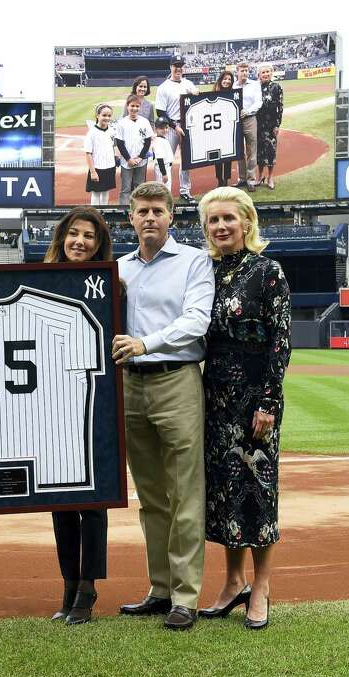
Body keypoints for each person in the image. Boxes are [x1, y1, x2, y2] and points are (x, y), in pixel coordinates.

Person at [112, 182, 214, 630]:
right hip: (131, 384)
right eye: (141, 211)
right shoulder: (118, 269)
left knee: (185, 493)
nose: (149, 218)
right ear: (130, 218)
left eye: (157, 210)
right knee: (151, 495)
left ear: (172, 216)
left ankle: (186, 596)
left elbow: (196, 321)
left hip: (177, 380)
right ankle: (161, 587)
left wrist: (144, 343)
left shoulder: (194, 261)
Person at [196, 187, 291, 630]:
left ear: (248, 222)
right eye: (212, 220)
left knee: (257, 490)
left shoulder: (267, 271)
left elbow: (280, 341)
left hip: (255, 400)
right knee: (225, 492)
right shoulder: (204, 271)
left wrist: (268, 401)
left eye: (228, 219)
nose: (220, 227)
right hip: (214, 398)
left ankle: (263, 586)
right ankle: (233, 582)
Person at [43, 207, 112, 625]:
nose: (80, 242)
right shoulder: (41, 278)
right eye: (74, 234)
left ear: (99, 243)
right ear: (62, 238)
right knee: (59, 497)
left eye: (89, 236)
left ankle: (87, 588)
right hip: (50, 402)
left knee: (93, 498)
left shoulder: (108, 282)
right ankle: (69, 582)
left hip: (94, 399)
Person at [155, 55, 198, 203]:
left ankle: (185, 191)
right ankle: (163, 192)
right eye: (175, 65)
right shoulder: (163, 87)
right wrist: (175, 126)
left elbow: (197, 101)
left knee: (186, 160)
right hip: (171, 127)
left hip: (188, 125)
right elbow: (160, 111)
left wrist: (196, 94)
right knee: (166, 160)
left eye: (180, 65)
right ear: (170, 67)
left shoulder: (189, 84)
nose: (178, 68)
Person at [115, 94, 154, 206]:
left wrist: (141, 157)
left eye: (137, 106)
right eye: (132, 106)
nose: (134, 108)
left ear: (140, 107)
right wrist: (129, 159)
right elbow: (120, 143)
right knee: (126, 188)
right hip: (126, 161)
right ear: (127, 106)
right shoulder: (121, 123)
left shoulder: (144, 121)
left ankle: (139, 208)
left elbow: (147, 141)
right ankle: (123, 211)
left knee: (140, 187)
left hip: (141, 160)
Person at [233, 62, 262, 192]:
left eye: (246, 70)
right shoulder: (233, 85)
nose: (244, 73)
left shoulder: (255, 84)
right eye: (242, 70)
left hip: (250, 119)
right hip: (236, 121)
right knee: (239, 151)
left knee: (251, 150)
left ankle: (251, 180)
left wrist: (248, 111)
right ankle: (242, 178)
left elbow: (258, 102)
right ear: (237, 72)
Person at [256, 64, 284, 190]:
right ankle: (260, 175)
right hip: (257, 124)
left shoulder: (276, 87)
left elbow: (280, 106)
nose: (265, 74)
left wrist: (278, 124)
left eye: (267, 72)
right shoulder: (255, 87)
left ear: (271, 73)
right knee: (259, 152)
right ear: (259, 75)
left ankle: (270, 177)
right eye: (263, 72)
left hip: (271, 125)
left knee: (271, 151)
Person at [83, 102, 118, 206]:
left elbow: (113, 146)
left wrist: (116, 158)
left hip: (110, 166)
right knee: (96, 194)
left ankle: (104, 215)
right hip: (97, 168)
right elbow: (88, 153)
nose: (107, 118)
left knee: (106, 193)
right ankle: (95, 215)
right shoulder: (92, 133)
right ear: (97, 116)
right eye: (104, 115)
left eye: (109, 116)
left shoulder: (112, 130)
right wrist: (93, 172)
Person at [211, 70, 237, 188]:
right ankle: (219, 180)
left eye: (229, 80)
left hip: (229, 128)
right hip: (216, 129)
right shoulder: (214, 92)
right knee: (217, 155)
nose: (227, 81)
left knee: (227, 155)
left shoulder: (234, 93)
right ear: (221, 79)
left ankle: (226, 179)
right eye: (225, 79)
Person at [150, 118, 174, 189]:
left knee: (164, 190)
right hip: (162, 169)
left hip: (165, 168)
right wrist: (164, 174)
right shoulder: (159, 141)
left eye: (166, 127)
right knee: (163, 190)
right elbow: (160, 159)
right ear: (156, 129)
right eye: (161, 128)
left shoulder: (162, 139)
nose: (164, 130)